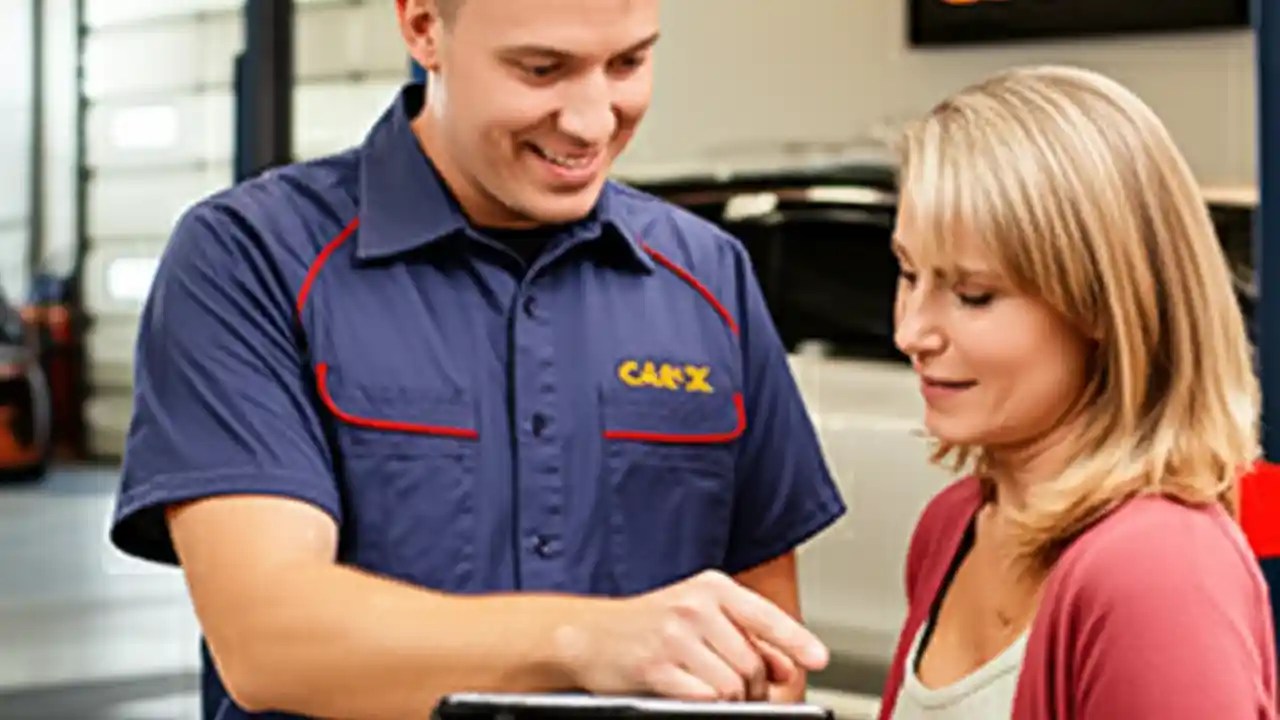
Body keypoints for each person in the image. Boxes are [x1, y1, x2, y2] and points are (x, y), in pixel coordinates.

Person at [107, 1, 847, 718]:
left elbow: (767, 662)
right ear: (423, 25)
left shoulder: (709, 278)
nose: (592, 121)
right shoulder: (251, 259)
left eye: (628, 62)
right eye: (541, 68)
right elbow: (270, 639)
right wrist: (587, 640)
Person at [877, 65, 1278, 720]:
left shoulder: (1158, 572)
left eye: (973, 296)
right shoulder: (953, 527)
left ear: (1101, 304)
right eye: (907, 272)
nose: (910, 331)